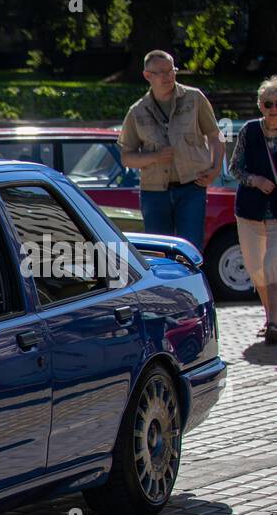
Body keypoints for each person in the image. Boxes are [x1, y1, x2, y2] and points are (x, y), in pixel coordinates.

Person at [118, 50, 224, 255]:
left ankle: (191, 287)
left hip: (192, 187)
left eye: (171, 70)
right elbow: (126, 157)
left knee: (190, 250)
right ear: (147, 76)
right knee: (157, 251)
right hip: (154, 191)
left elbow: (215, 135)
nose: (168, 76)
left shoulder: (194, 98)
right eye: (161, 72)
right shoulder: (137, 111)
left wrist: (215, 168)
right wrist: (154, 157)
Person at [225, 75, 277, 343]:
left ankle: (274, 322)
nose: (274, 109)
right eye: (268, 104)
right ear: (260, 105)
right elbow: (234, 167)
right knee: (256, 269)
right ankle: (269, 317)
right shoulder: (249, 130)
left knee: (273, 265)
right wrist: (255, 180)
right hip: (249, 211)